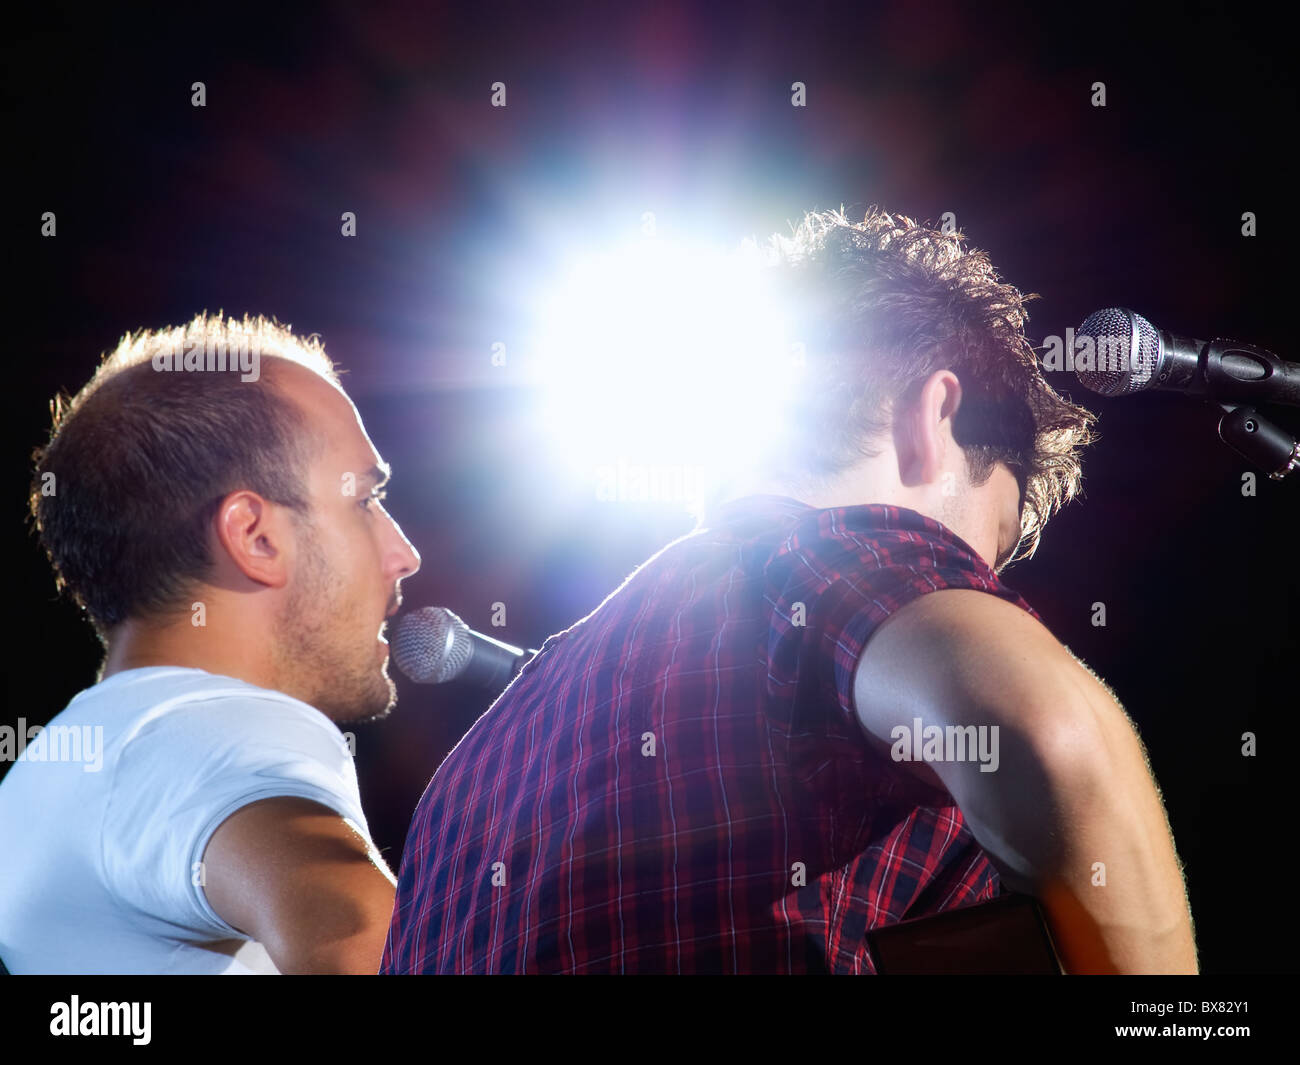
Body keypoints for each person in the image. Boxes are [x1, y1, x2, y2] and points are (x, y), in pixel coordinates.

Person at [382, 206, 1198, 974]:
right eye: (987, 544)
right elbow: (1044, 727)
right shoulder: (830, 553)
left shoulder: (476, 765)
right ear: (931, 420)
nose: (980, 585)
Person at [1, 313, 421, 973]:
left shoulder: (44, 777)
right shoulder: (213, 728)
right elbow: (363, 937)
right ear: (255, 536)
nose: (404, 553)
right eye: (366, 500)